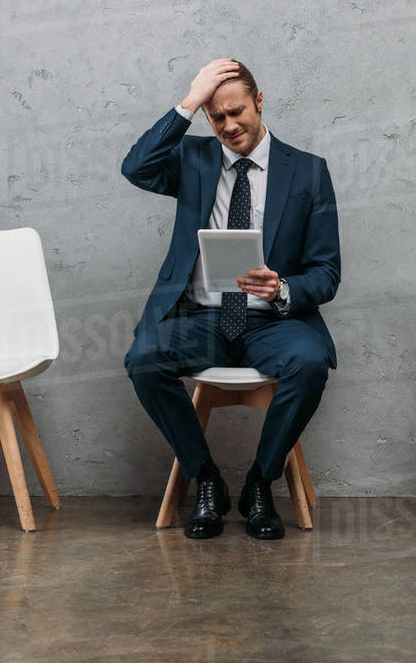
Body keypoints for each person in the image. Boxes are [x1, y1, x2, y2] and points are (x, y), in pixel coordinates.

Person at [121, 58, 341, 540]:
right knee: (143, 359)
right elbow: (135, 167)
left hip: (274, 323)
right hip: (201, 318)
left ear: (259, 102)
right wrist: (188, 102)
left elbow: (327, 273)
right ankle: (206, 480)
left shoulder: (308, 172)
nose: (229, 125)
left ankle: (260, 483)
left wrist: (282, 288)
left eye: (237, 112)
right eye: (216, 116)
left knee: (308, 363)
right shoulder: (193, 159)